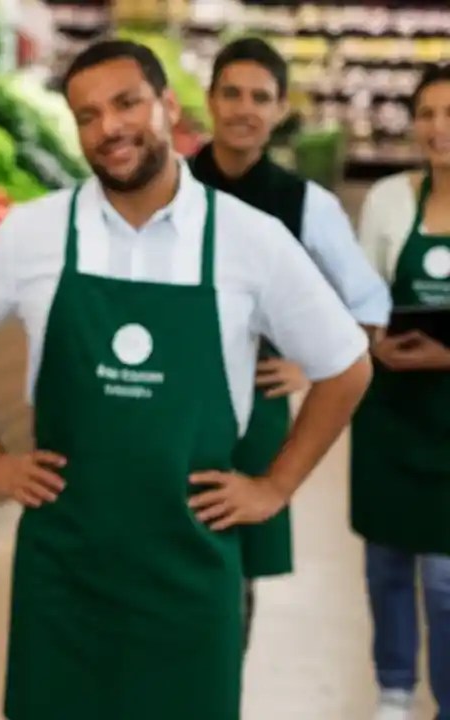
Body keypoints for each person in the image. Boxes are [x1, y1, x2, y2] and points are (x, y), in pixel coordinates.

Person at [0, 39, 373, 719]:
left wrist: (275, 486)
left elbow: (346, 366)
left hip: (190, 578)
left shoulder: (248, 239)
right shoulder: (37, 234)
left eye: (126, 103)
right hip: (65, 576)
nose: (108, 127)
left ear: (169, 106)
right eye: (87, 115)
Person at [188, 37, 391, 645]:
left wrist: (307, 366)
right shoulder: (168, 183)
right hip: (164, 392)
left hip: (252, 414)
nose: (244, 109)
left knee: (231, 564)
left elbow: (368, 303)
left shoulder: (308, 205)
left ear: (280, 111)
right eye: (232, 94)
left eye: (261, 97)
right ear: (210, 101)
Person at [352, 64, 450, 720]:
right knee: (386, 563)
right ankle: (392, 689)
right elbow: (363, 297)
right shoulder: (389, 198)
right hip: (392, 412)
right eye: (428, 114)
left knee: (445, 583)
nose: (439, 129)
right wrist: (374, 341)